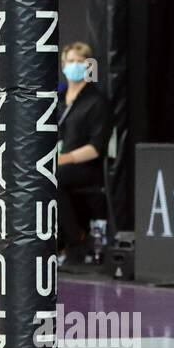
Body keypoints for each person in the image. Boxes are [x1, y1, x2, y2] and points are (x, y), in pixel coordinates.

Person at [56, 41, 113, 262]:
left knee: (51, 177)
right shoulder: (58, 100)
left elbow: (96, 148)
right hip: (58, 162)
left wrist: (65, 159)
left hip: (85, 168)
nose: (75, 65)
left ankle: (76, 238)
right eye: (71, 61)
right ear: (63, 65)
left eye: (81, 62)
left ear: (89, 66)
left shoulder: (97, 101)